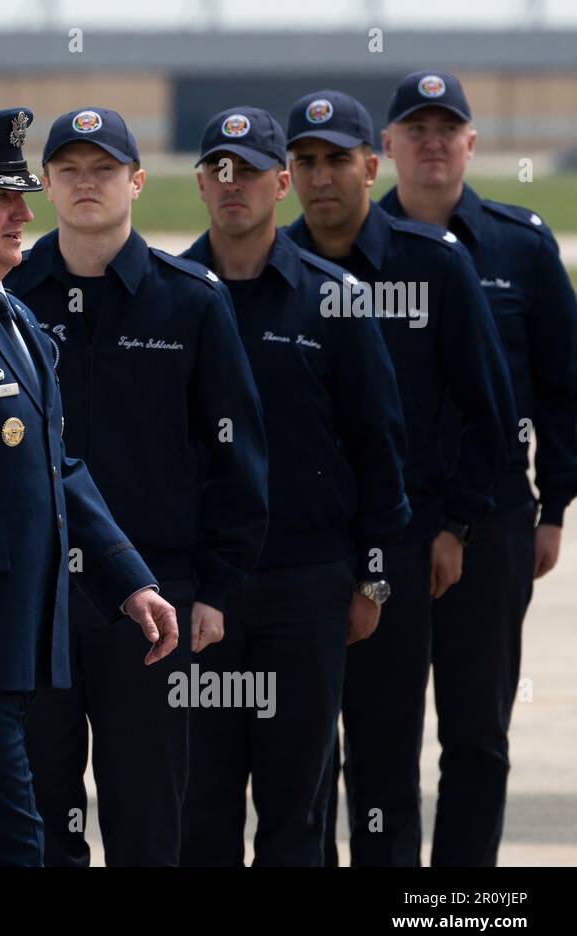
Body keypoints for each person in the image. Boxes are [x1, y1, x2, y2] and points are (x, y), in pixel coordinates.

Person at [0, 108, 179, 866]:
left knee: (18, 841)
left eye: (23, 195)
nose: (26, 212)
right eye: (1, 198)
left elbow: (58, 467)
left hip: (22, 645)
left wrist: (129, 580)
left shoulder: (8, 314)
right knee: (8, 846)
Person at [6, 106, 268, 867]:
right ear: (46, 184)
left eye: (104, 169)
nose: (87, 184)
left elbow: (237, 457)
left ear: (137, 182)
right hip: (36, 601)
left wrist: (216, 589)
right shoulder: (10, 297)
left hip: (155, 603)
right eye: (70, 170)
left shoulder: (192, 300)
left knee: (150, 818)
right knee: (41, 817)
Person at [281, 86, 517, 866]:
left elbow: (490, 413)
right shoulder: (267, 271)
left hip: (403, 553)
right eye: (305, 162)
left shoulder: (435, 268)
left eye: (338, 161)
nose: (322, 179)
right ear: (287, 175)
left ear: (370, 165)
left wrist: (456, 524)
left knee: (385, 756)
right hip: (297, 563)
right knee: (302, 766)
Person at [180, 106, 410, 866]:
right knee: (201, 806)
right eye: (217, 170)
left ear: (281, 183)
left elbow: (379, 446)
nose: (231, 184)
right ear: (199, 184)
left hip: (307, 590)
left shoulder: (334, 297)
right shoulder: (168, 298)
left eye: (248, 171)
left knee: (298, 809)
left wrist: (372, 580)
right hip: (202, 595)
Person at [372, 71, 577, 865]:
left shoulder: (520, 247)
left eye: (445, 128)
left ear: (470, 144)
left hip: (492, 522)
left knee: (477, 735)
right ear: (386, 146)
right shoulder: (339, 250)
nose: (430, 142)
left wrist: (554, 508)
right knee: (381, 736)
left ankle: (460, 904)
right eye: (413, 129)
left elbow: (562, 389)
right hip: (381, 530)